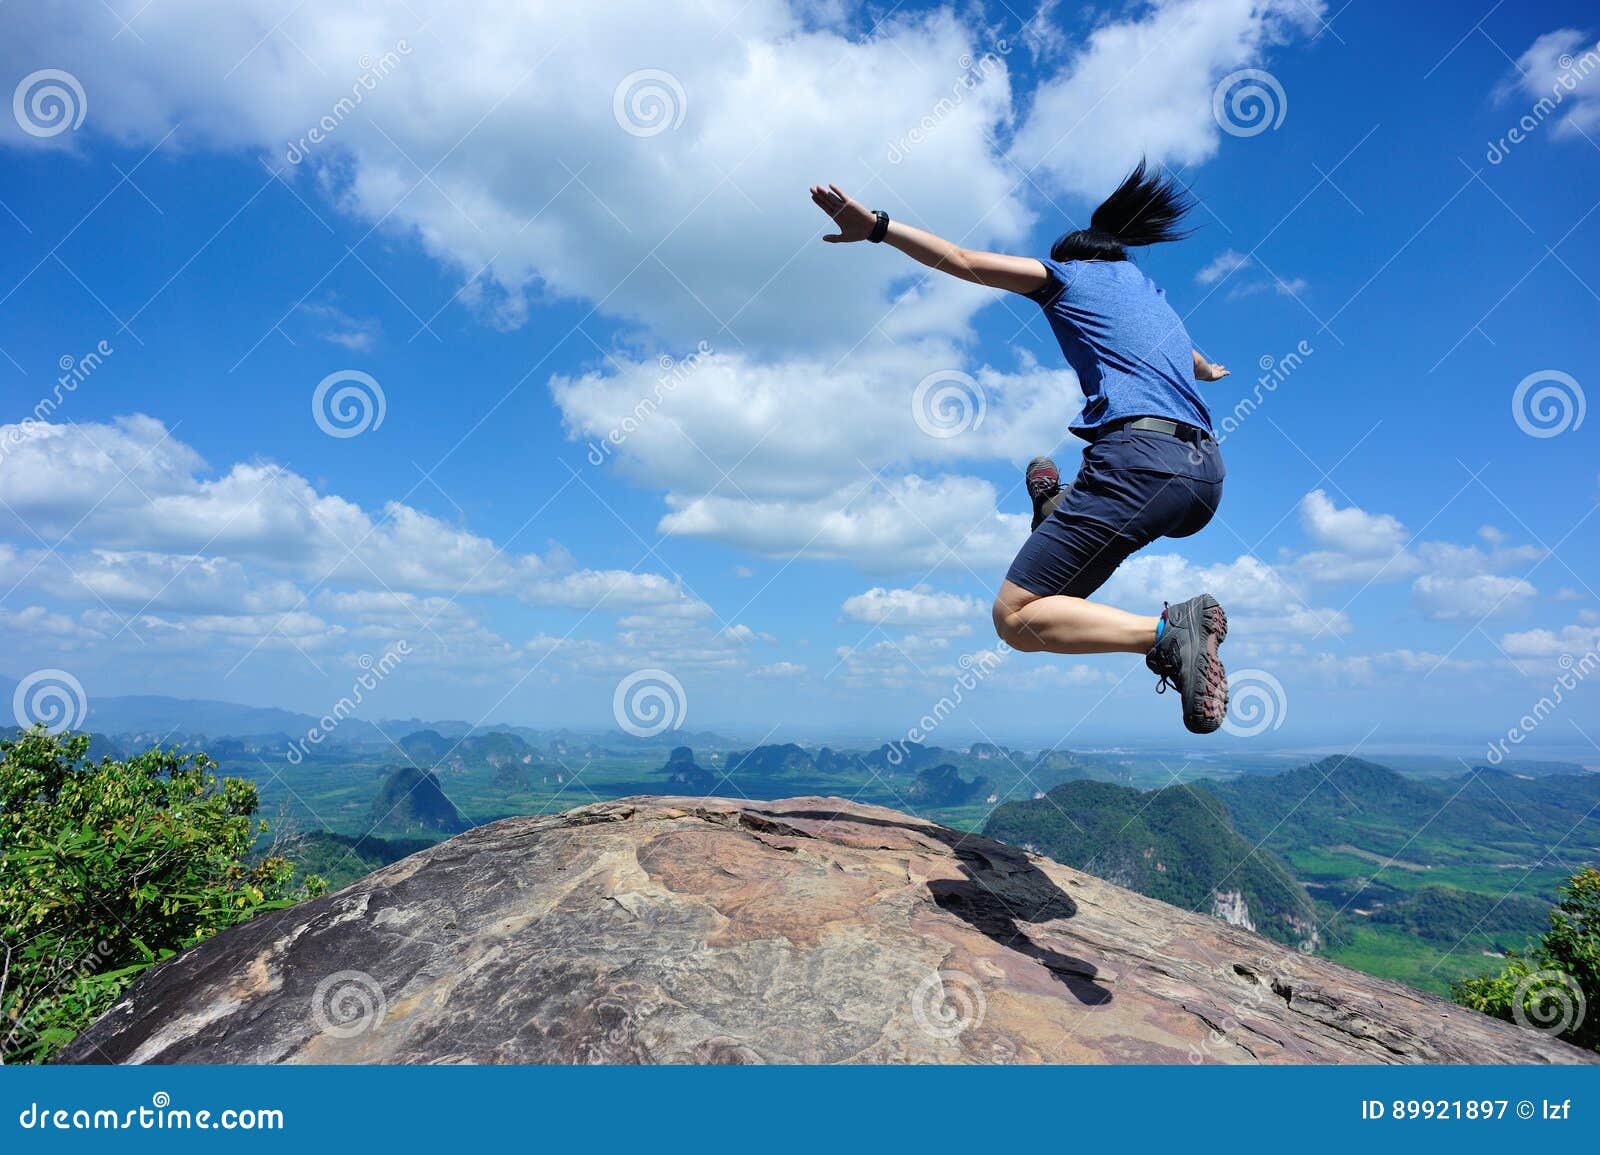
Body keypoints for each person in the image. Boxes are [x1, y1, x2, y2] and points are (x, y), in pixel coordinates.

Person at [809, 160, 1234, 734]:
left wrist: (879, 227)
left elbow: (962, 262)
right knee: (1053, 600)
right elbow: (1194, 360)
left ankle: (1168, 633)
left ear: (1074, 256)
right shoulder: (1150, 295)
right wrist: (1206, 371)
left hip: (1140, 464)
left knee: (1015, 619)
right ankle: (1059, 510)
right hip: (1203, 479)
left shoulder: (1065, 274)